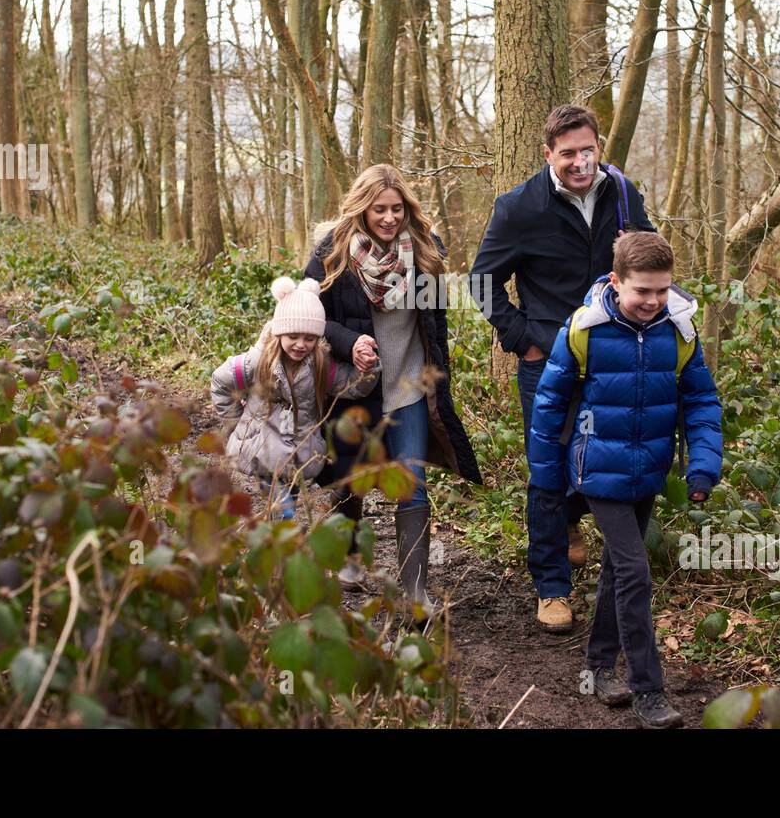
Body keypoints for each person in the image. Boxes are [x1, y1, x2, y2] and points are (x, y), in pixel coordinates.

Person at [469, 104, 655, 632]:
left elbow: (643, 256)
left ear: (600, 147)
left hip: (616, 356)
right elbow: (482, 282)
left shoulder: (622, 194)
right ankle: (552, 587)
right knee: (548, 471)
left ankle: (575, 525)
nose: (579, 162)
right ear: (548, 154)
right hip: (548, 360)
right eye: (568, 153)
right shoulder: (518, 208)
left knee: (608, 455)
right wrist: (524, 339)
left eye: (587, 150)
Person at [527, 232, 723, 728]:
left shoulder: (679, 330)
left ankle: (597, 667)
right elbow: (549, 405)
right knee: (636, 572)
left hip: (648, 470)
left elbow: (701, 401)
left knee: (618, 570)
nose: (653, 302)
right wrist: (548, 477)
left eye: (662, 290)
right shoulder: (584, 328)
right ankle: (648, 690)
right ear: (616, 283)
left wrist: (702, 464)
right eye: (642, 292)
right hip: (597, 469)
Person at [305, 164, 483, 613]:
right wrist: (349, 342)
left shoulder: (426, 251)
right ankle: (347, 558)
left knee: (412, 484)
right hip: (353, 389)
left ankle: (415, 593)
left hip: (408, 389)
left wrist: (440, 376)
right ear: (362, 209)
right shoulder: (333, 251)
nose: (388, 218)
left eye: (396, 208)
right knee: (352, 479)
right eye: (379, 209)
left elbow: (436, 320)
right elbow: (308, 314)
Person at [210, 276, 379, 521]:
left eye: (309, 338)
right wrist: (236, 424)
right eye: (293, 337)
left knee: (287, 501)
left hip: (299, 454)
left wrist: (368, 368)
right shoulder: (258, 362)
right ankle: (282, 548)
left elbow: (350, 386)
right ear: (279, 333)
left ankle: (275, 544)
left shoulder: (320, 365)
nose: (300, 345)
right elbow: (220, 381)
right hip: (263, 451)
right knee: (284, 510)